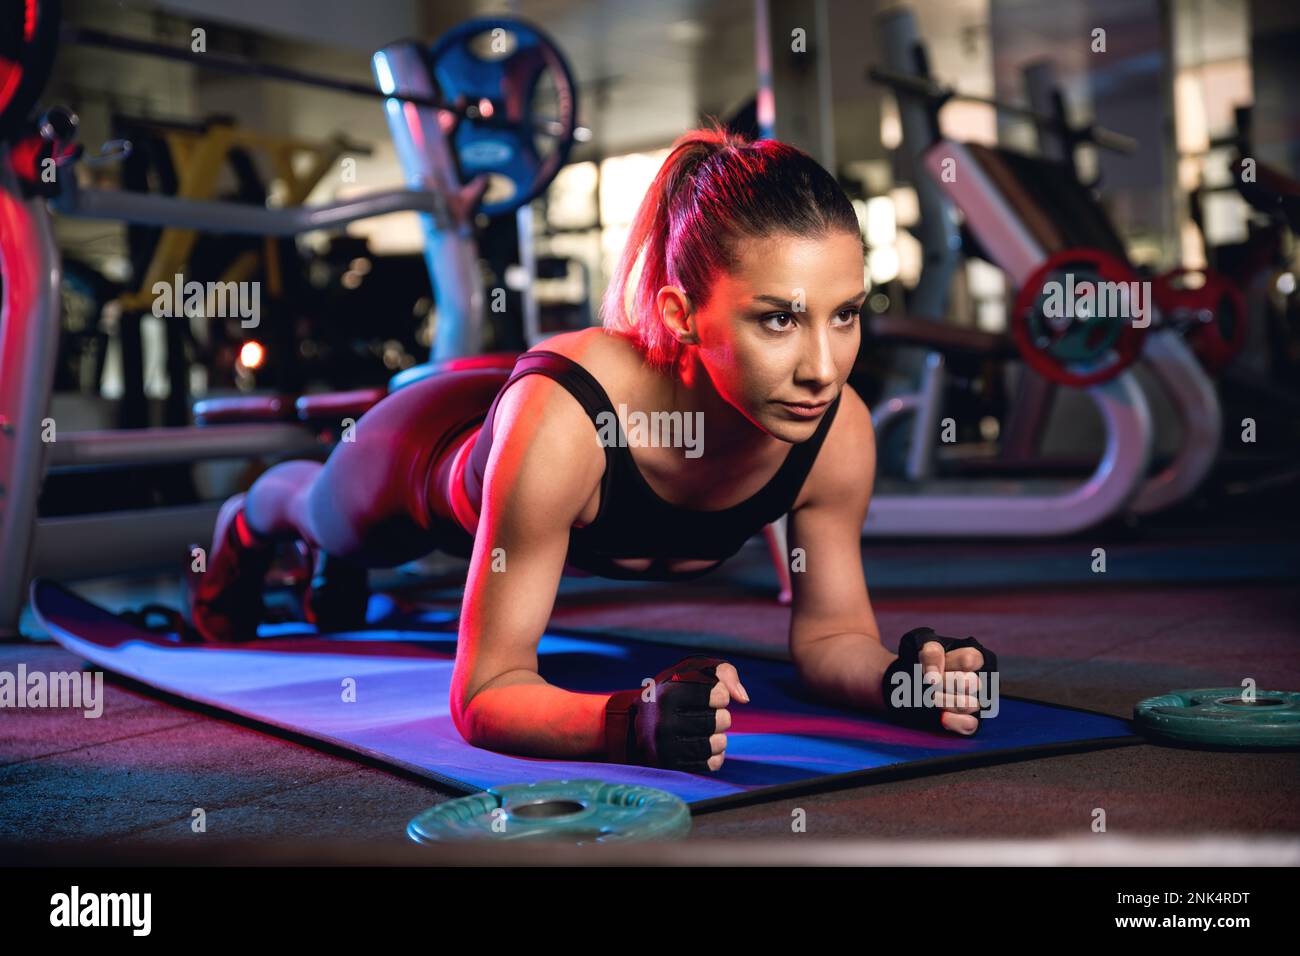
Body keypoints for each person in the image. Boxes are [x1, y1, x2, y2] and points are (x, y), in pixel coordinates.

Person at [187, 124, 997, 772]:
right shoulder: (568, 423)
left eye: (845, 315)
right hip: (427, 454)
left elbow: (827, 641)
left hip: (530, 425)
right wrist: (623, 722)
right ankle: (244, 524)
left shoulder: (835, 431)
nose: (823, 368)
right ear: (681, 316)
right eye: (778, 319)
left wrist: (902, 680)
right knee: (328, 517)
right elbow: (485, 690)